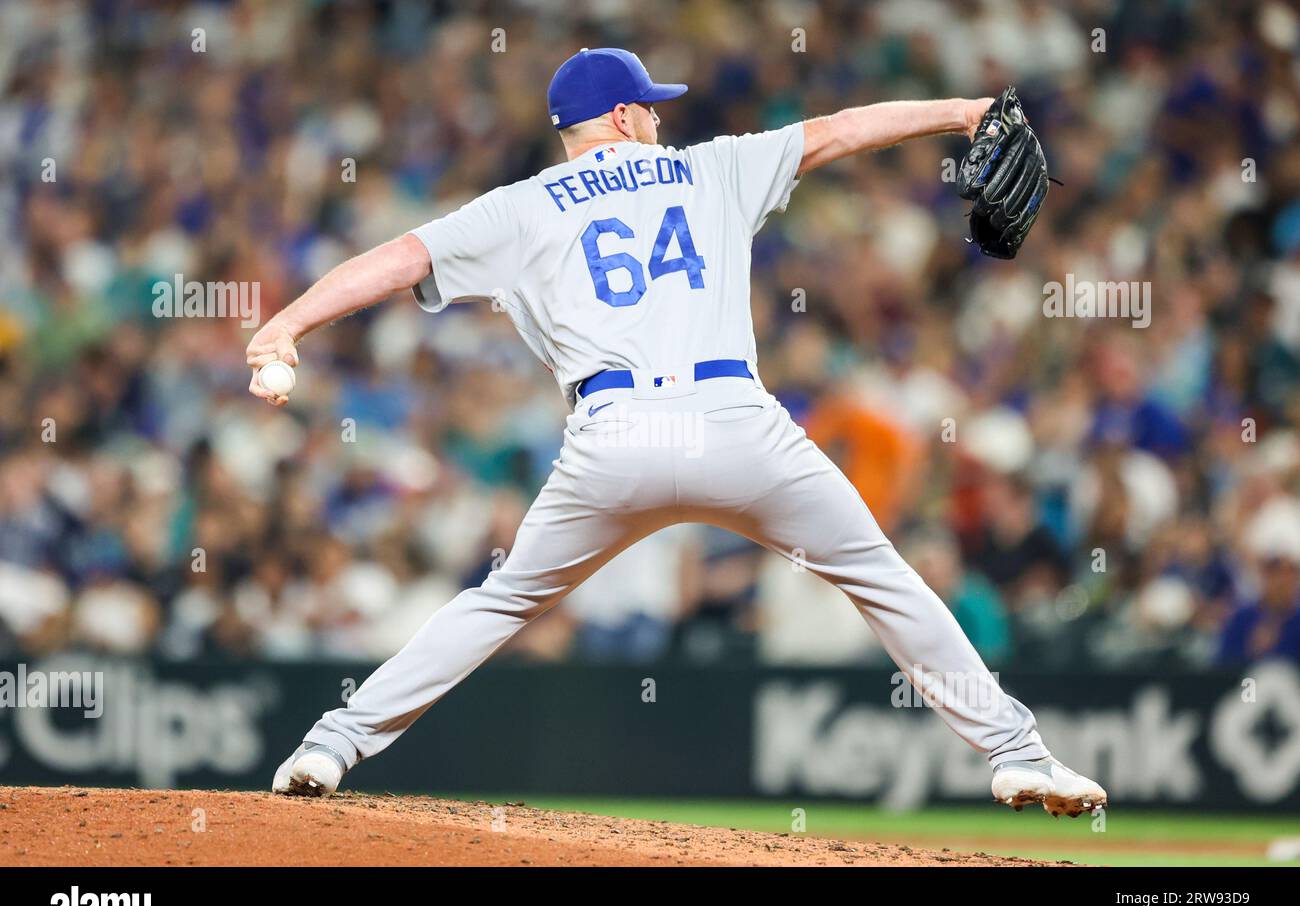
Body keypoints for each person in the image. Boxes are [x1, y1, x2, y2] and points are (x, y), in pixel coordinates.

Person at [253, 48, 1105, 817]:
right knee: (882, 577)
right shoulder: (711, 168)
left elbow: (397, 259)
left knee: (504, 600)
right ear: (624, 116)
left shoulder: (516, 207)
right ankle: (1017, 754)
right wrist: (957, 113)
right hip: (736, 426)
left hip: (612, 436)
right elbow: (843, 130)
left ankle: (334, 742)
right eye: (650, 105)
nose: (660, 117)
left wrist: (285, 325)